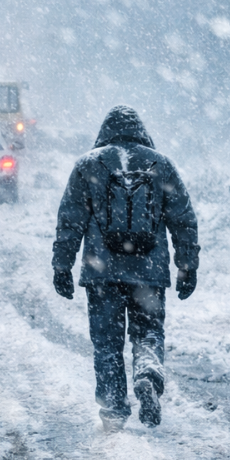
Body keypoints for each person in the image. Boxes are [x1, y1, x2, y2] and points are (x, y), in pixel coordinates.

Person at [51, 106, 199, 431]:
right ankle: (147, 371)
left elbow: (70, 222)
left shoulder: (89, 164)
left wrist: (62, 266)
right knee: (148, 332)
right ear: (141, 131)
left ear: (105, 131)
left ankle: (114, 413)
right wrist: (187, 268)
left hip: (101, 273)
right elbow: (183, 221)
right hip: (149, 273)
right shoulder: (162, 165)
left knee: (107, 344)